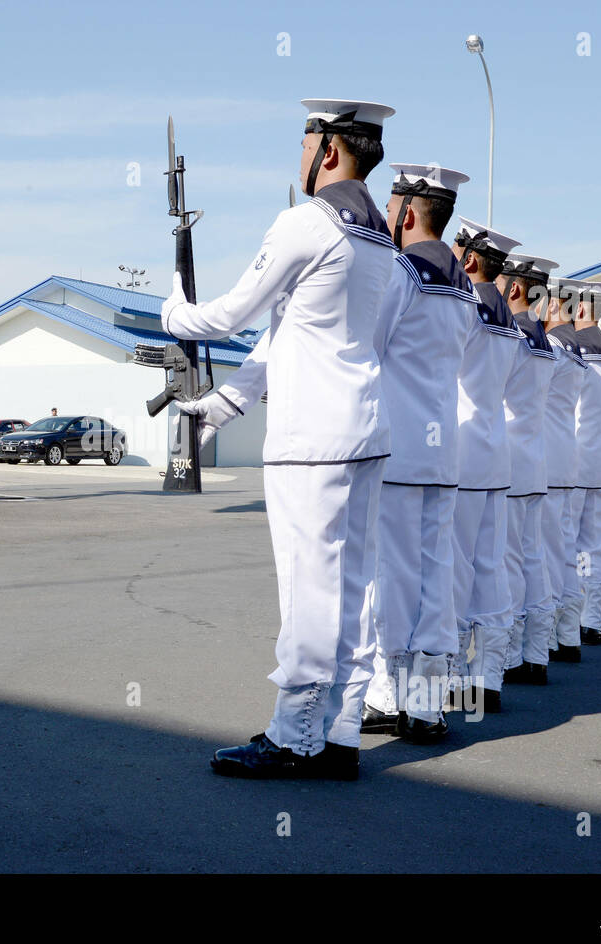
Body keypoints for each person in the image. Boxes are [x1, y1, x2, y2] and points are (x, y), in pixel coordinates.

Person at [164, 98, 396, 779]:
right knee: (352, 590)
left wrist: (176, 311)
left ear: (327, 150)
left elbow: (234, 315)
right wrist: (227, 404)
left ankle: (293, 736)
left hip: (310, 441)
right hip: (362, 434)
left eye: (302, 145)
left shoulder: (305, 221)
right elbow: (288, 334)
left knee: (308, 590)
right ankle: (339, 734)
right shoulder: (377, 235)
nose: (297, 159)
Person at [355, 163, 473, 743]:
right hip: (443, 451)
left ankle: (384, 693)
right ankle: (427, 704)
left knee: (392, 576)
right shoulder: (466, 287)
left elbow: (367, 346)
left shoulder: (400, 273)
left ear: (405, 212)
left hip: (399, 449)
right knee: (436, 574)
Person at [447, 218, 523, 714]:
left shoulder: (465, 305)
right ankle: (489, 677)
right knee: (491, 569)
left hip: (460, 454)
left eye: (456, 250)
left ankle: (450, 679)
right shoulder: (508, 320)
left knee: (453, 572)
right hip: (496, 454)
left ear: (471, 260)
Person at [495, 253, 558, 687]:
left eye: (501, 281)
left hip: (510, 462)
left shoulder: (512, 334)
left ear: (514, 288)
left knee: (508, 563)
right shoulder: (543, 339)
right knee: (533, 560)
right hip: (535, 462)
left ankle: (511, 656)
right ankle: (536, 651)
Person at [564, 283, 601, 647]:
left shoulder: (575, 349)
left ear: (582, 310)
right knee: (593, 544)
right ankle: (592, 618)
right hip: (600, 461)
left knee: (566, 542)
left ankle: (568, 624)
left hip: (572, 460)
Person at [539, 279, 589, 664]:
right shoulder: (577, 350)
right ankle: (567, 632)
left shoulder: (554, 348)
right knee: (564, 549)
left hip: (548, 460)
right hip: (566, 457)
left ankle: (549, 639)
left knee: (545, 550)